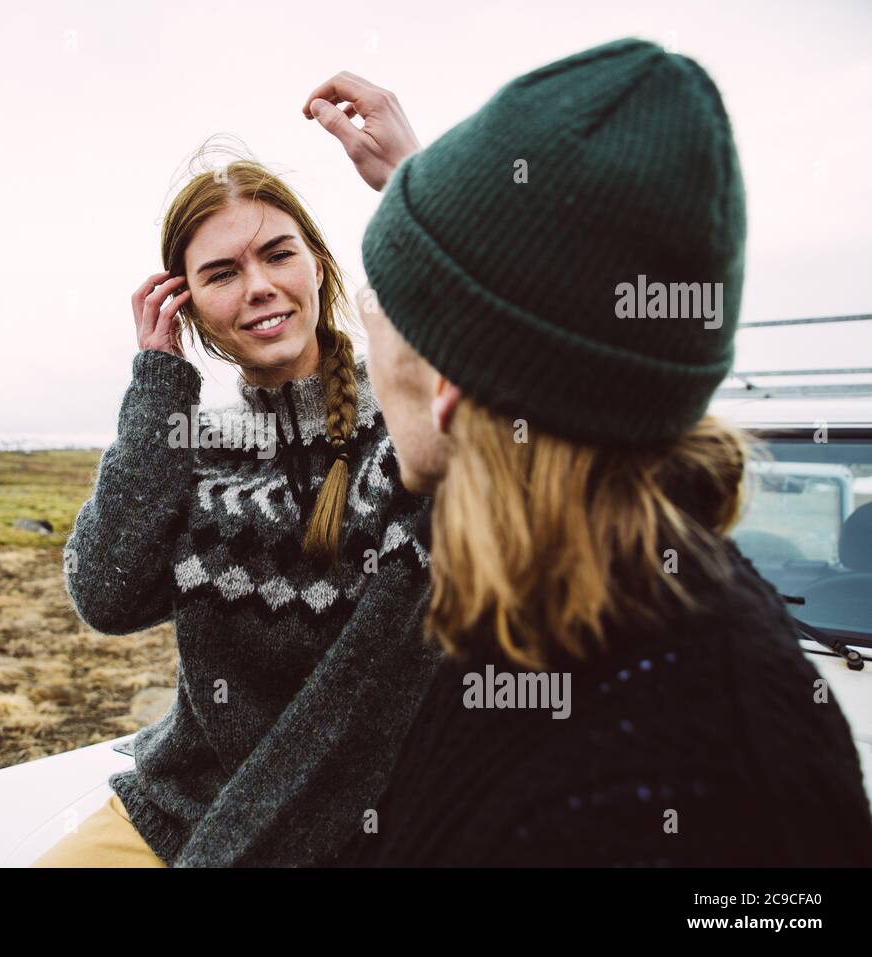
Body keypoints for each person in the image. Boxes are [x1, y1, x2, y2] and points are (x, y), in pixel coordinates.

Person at [308, 37, 872, 867]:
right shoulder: (580, 572)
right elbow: (534, 323)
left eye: (378, 296)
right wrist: (435, 202)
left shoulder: (670, 790)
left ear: (452, 387)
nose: (368, 332)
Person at [34, 153, 439, 867]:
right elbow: (106, 593)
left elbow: (527, 382)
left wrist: (412, 178)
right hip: (191, 807)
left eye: (278, 255)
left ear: (317, 265)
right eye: (221, 273)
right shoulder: (196, 446)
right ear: (184, 302)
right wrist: (159, 382)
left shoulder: (408, 422)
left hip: (376, 822)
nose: (259, 288)